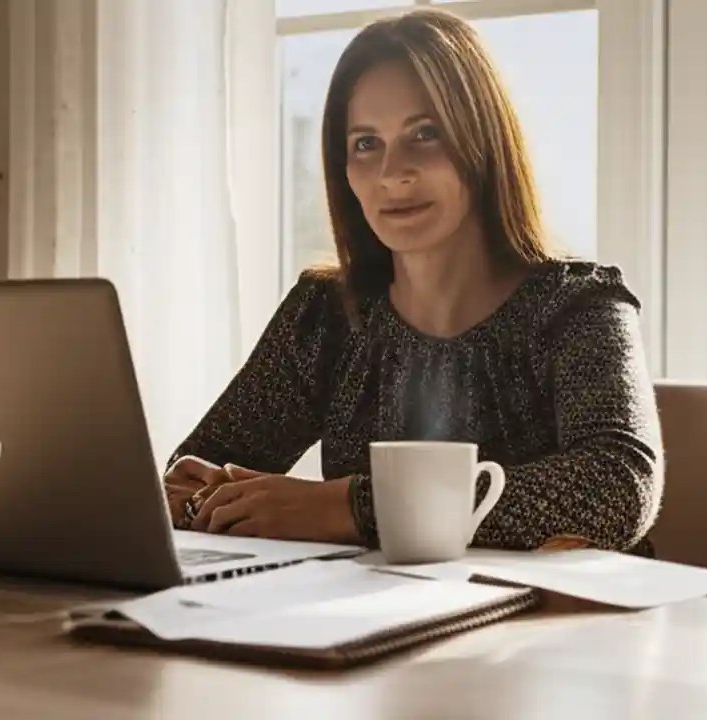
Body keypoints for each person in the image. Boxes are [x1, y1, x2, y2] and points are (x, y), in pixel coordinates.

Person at [161, 9, 664, 554]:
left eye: (425, 134)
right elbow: (191, 474)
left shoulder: (579, 305)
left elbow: (616, 486)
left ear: (484, 144)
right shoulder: (325, 313)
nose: (392, 173)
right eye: (365, 143)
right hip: (363, 622)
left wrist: (346, 507)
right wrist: (205, 505)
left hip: (557, 631)